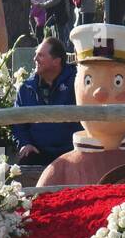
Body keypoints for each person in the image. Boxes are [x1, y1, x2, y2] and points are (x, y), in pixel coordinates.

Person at [37, 24, 125, 187]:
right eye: (88, 81)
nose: (100, 93)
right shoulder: (62, 170)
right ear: (76, 89)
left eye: (118, 81)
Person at [12, 36, 79, 167]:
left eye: (41, 56)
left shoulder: (77, 83)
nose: (35, 59)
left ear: (56, 61)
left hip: (72, 152)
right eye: (36, 55)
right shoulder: (26, 88)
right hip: (37, 152)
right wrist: (25, 143)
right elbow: (17, 123)